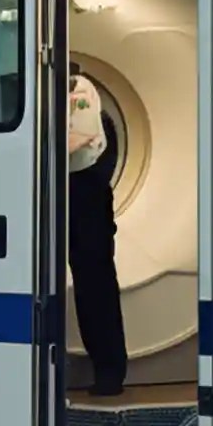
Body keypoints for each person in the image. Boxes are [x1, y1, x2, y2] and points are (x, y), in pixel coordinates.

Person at [67, 64, 127, 396]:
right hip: (63, 187)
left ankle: (109, 371)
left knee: (95, 285)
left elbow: (78, 139)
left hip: (86, 188)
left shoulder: (79, 87)